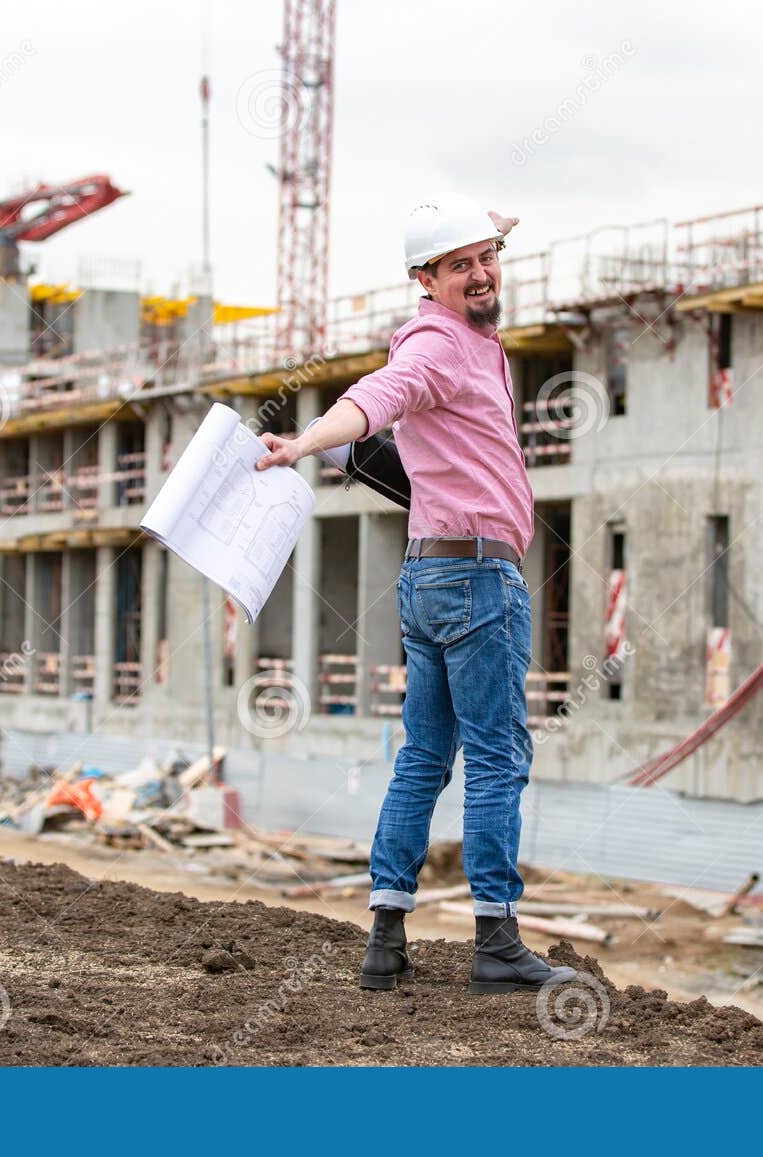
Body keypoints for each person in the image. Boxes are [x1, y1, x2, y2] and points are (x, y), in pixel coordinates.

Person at [256, 196, 576, 995]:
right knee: (499, 754)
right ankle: (497, 938)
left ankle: (385, 939)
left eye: (487, 258)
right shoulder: (436, 347)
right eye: (459, 264)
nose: (481, 273)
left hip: (429, 577)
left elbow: (393, 417)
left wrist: (491, 222)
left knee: (426, 754)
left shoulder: (468, 339)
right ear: (423, 280)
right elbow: (377, 400)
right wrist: (302, 443)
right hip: (475, 577)